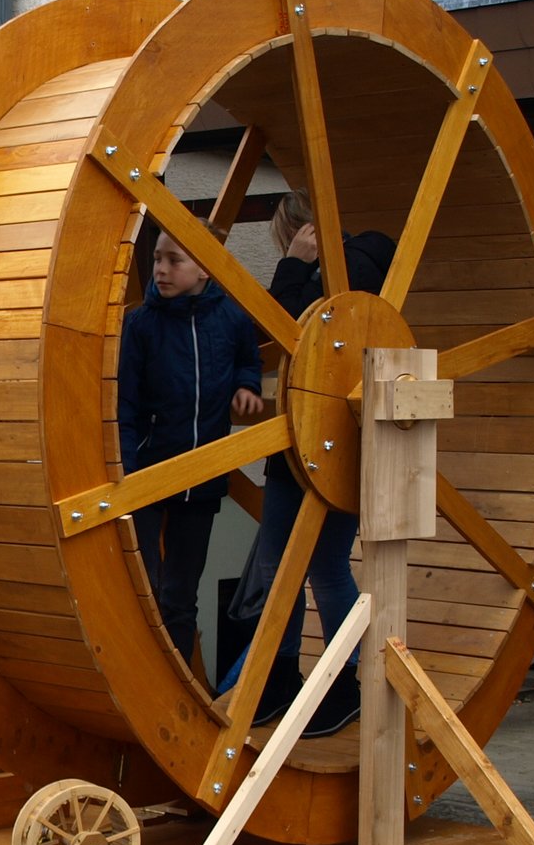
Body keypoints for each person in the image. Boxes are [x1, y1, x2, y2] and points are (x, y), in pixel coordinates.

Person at [220, 191, 395, 736]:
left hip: (315, 442)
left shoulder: (342, 275)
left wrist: (294, 264)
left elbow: (282, 330)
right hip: (335, 444)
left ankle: (306, 679)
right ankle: (317, 681)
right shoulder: (369, 269)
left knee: (296, 567)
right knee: (313, 566)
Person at [118, 229, 264, 659]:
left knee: (181, 595)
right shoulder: (142, 325)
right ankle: (142, 678)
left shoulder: (231, 319)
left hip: (203, 480)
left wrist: (247, 384)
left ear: (203, 268)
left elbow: (247, 357)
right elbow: (124, 401)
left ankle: (178, 692)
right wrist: (127, 472)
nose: (160, 269)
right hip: (149, 475)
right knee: (143, 589)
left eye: (173, 260)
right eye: (158, 259)